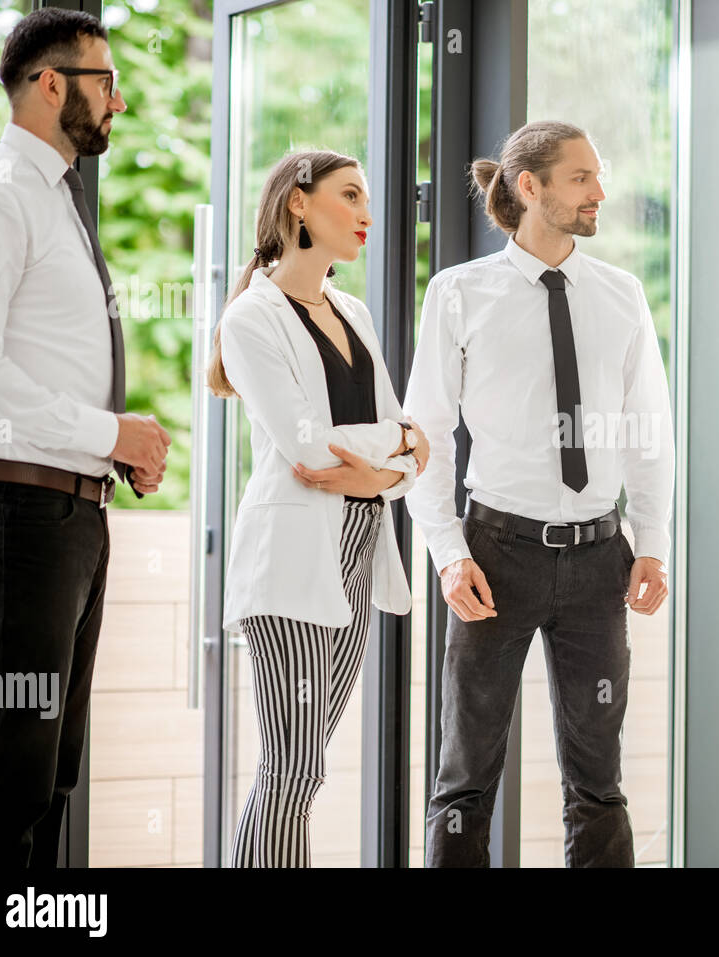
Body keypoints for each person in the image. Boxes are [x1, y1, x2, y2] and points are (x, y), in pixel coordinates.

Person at [404, 120, 675, 867]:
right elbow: (421, 434)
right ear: (531, 186)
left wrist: (650, 543)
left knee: (598, 778)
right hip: (494, 554)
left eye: (599, 175)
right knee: (466, 776)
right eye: (583, 177)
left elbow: (650, 429)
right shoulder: (458, 294)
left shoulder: (621, 294)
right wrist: (447, 555)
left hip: (599, 561)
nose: (601, 192)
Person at [0, 8, 171, 867]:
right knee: (13, 773)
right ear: (53, 85)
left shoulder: (57, 199)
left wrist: (113, 446)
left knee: (52, 775)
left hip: (70, 514)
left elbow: (45, 358)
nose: (118, 101)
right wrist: (106, 430)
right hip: (16, 511)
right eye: (105, 81)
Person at [207, 150, 427, 867]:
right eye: (351, 195)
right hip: (291, 567)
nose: (368, 212)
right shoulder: (250, 317)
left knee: (300, 769)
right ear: (298, 204)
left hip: (358, 557)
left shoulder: (352, 311)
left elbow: (410, 448)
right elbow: (309, 444)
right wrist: (398, 444)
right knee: (295, 767)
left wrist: (391, 459)